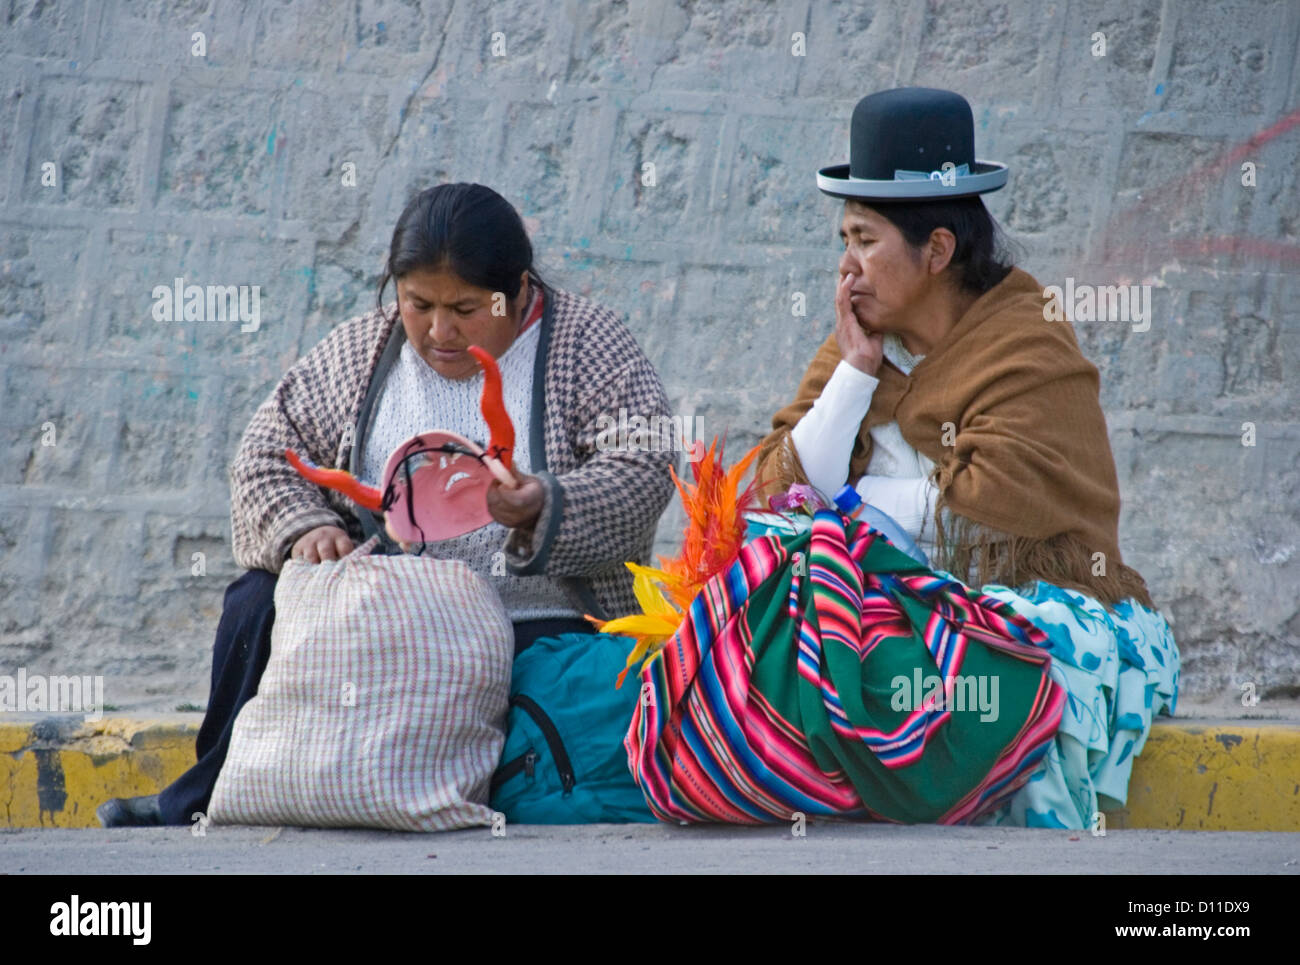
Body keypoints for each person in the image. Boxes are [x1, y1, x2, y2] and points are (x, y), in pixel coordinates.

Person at [98, 183, 676, 827]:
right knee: (255, 598)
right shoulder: (361, 352)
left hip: (533, 619)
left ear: (515, 291)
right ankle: (205, 798)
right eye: (418, 304)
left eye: (464, 308)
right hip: (385, 612)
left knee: (530, 702)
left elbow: (644, 464)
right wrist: (307, 529)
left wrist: (543, 503)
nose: (439, 330)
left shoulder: (587, 343)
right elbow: (264, 456)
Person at [753, 87, 1179, 828]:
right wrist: (854, 376)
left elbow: (994, 501)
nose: (846, 269)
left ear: (938, 251)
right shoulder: (859, 346)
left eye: (865, 239)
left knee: (1014, 665)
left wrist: (852, 510)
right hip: (897, 613)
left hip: (1028, 602)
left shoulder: (1024, 341)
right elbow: (783, 490)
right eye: (843, 241)